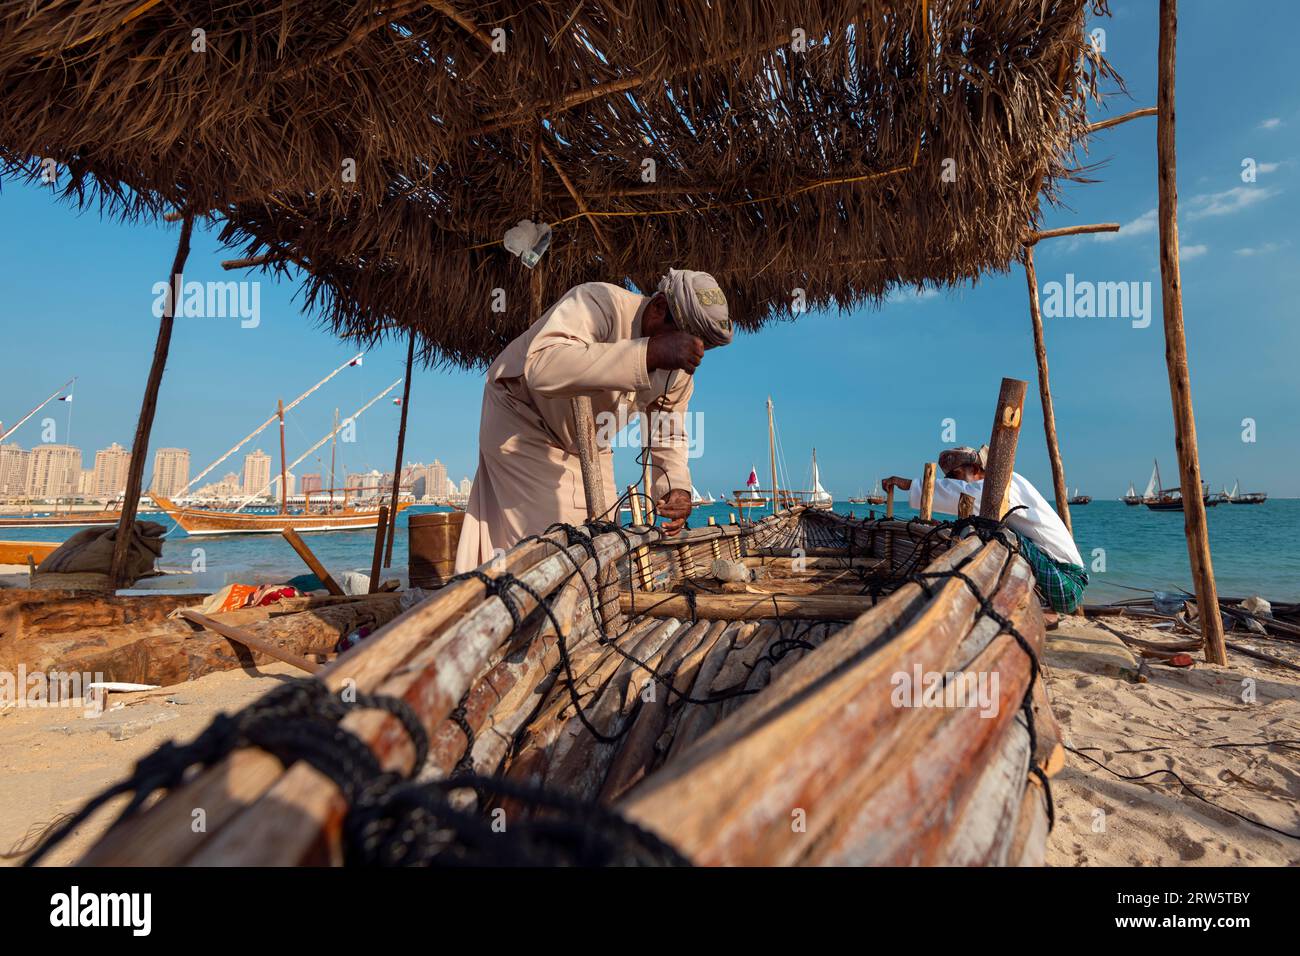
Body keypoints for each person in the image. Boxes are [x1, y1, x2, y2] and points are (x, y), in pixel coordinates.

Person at [454, 269, 733, 574]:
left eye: (701, 347)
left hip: (590, 440)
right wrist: (647, 354)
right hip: (522, 420)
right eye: (687, 341)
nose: (693, 354)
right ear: (659, 307)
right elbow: (543, 368)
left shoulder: (678, 366)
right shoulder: (598, 302)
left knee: (602, 539)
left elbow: (667, 429)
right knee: (545, 545)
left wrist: (675, 488)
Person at [881, 445, 1089, 613]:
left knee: (998, 534)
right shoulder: (997, 486)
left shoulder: (1004, 484)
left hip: (1066, 582)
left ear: (977, 469)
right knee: (985, 528)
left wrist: (908, 484)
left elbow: (962, 494)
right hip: (1057, 577)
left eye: (956, 475)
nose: (954, 482)